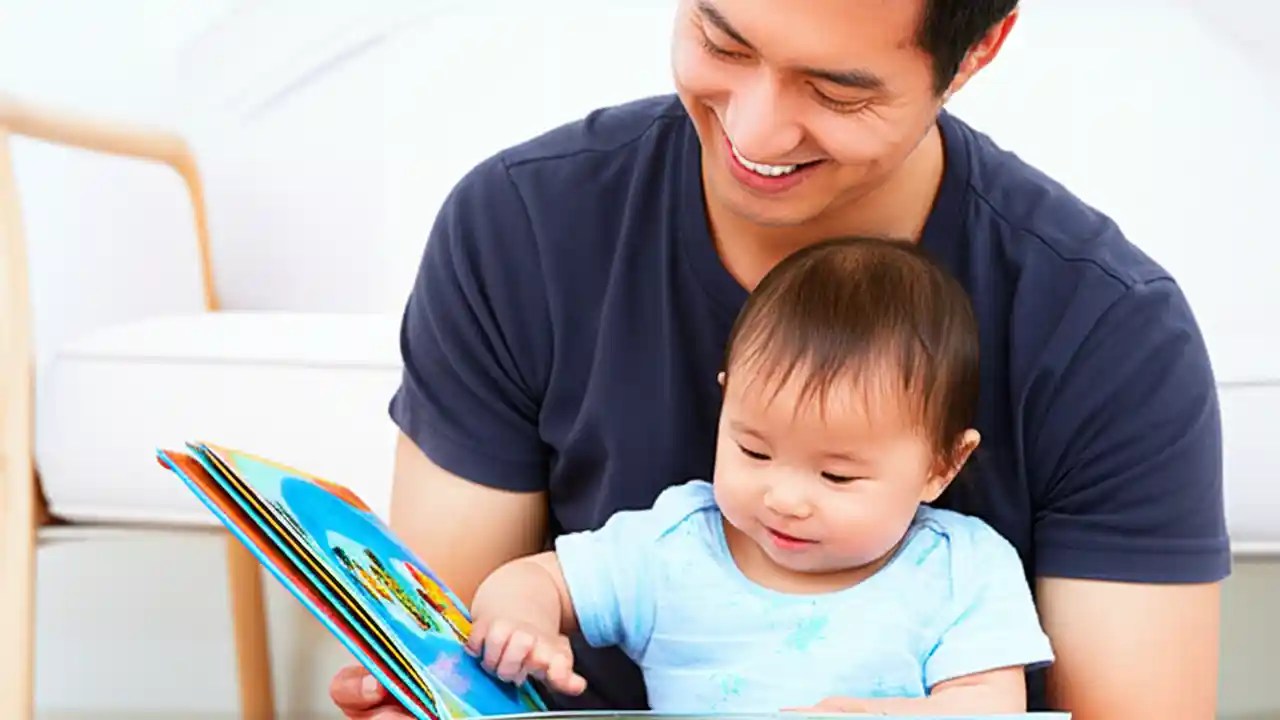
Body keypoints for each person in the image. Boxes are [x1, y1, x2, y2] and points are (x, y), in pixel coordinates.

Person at [331, 0, 1229, 717]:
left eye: (838, 93)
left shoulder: (1108, 335)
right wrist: (417, 681)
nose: (755, 135)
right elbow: (450, 643)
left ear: (976, 52)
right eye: (722, 41)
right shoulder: (521, 230)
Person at [464, 236, 1056, 715]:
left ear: (941, 466)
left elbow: (993, 705)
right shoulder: (674, 548)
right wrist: (523, 622)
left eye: (837, 476)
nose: (785, 499)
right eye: (754, 451)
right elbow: (532, 580)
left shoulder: (960, 568)